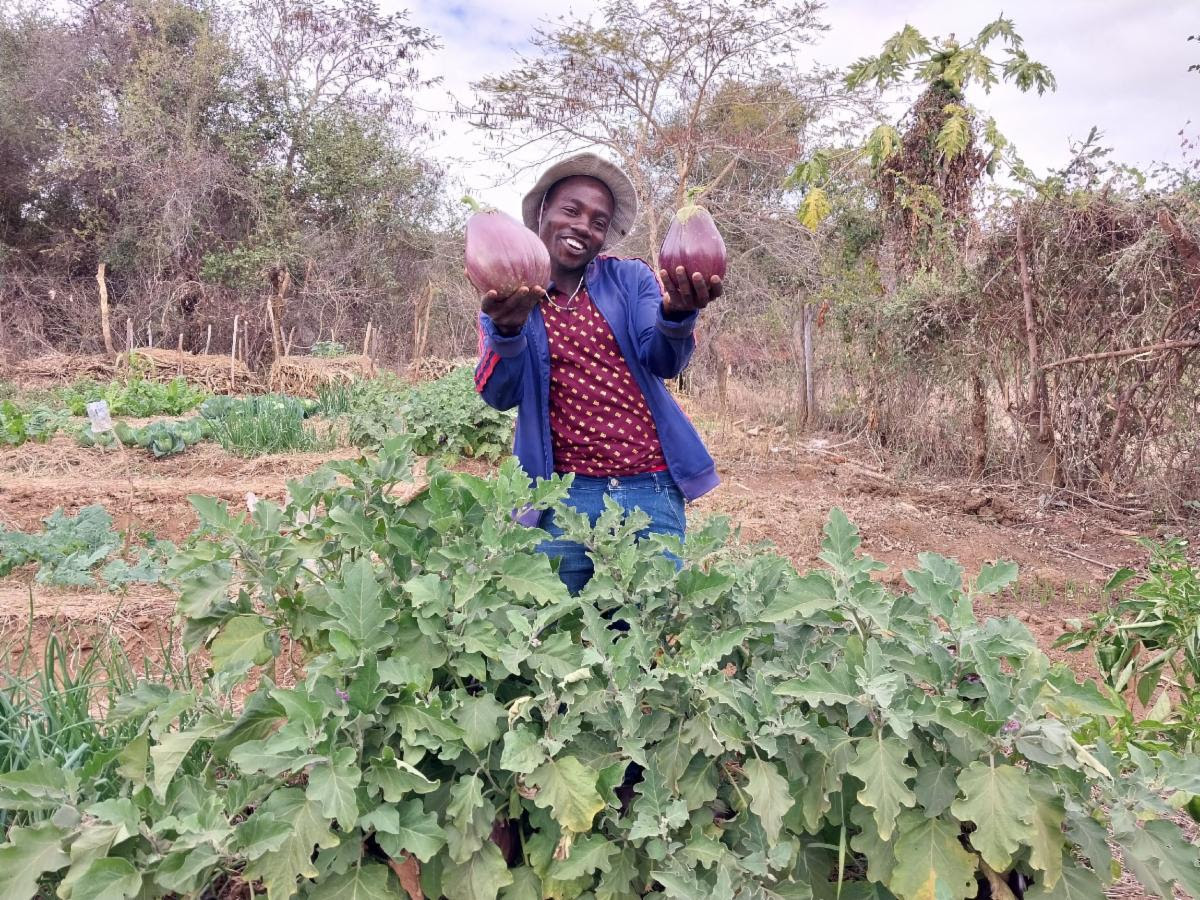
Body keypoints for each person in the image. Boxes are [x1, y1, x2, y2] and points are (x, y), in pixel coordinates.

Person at [474, 152, 722, 593]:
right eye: (571, 210)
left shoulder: (630, 280)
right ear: (542, 212)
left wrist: (679, 315)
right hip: (560, 498)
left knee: (647, 630)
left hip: (650, 487)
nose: (582, 226)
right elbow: (498, 394)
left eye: (598, 221)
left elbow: (663, 360)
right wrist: (507, 331)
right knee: (557, 631)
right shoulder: (509, 297)